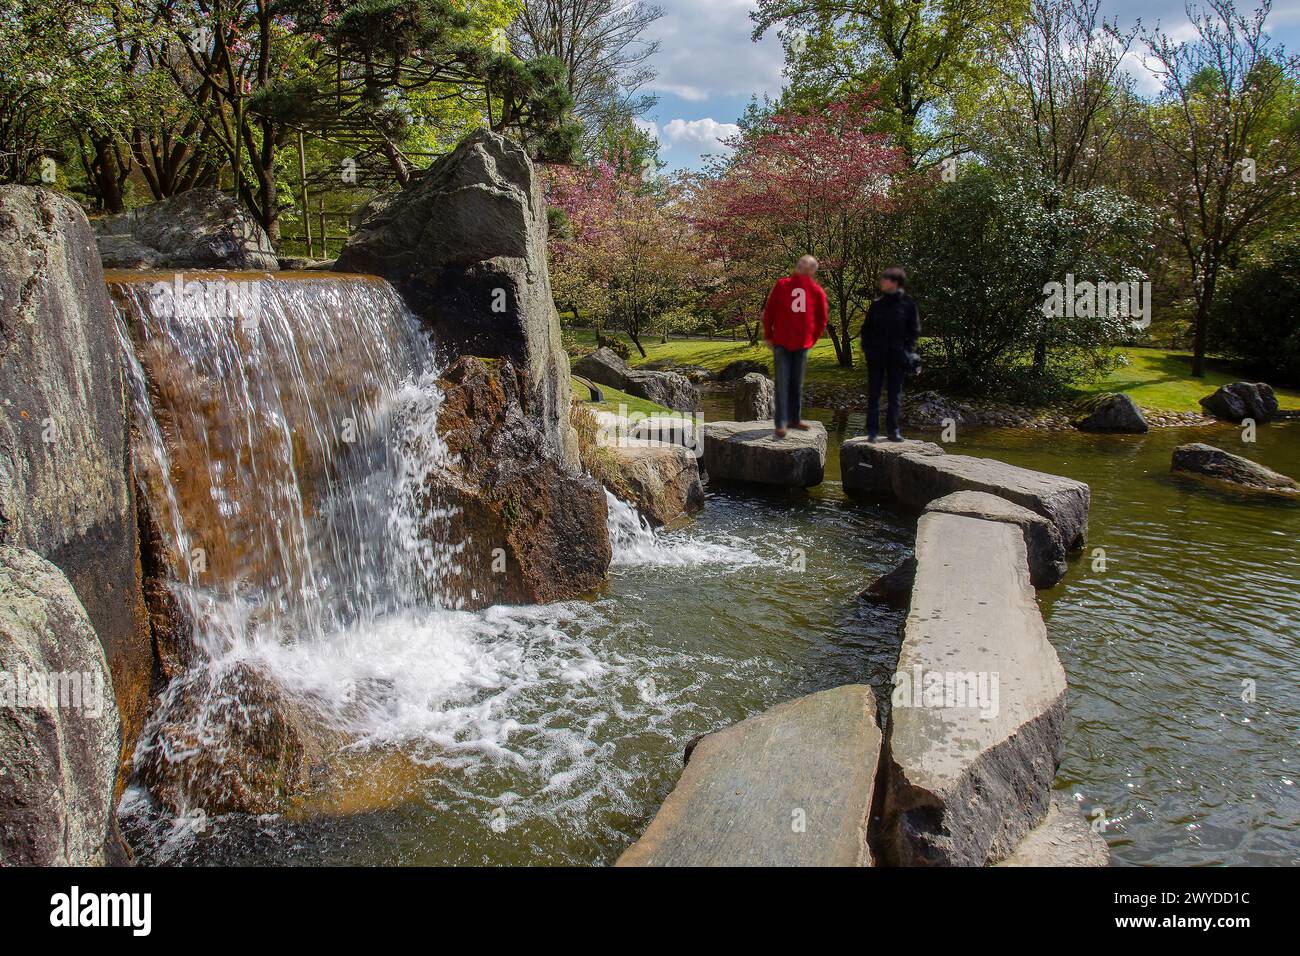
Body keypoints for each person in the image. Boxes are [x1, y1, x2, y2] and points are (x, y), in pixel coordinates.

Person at [762, 255, 828, 438]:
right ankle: (781, 422)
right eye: (800, 263)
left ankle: (795, 419)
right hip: (782, 342)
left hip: (801, 344)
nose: (800, 266)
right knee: (782, 382)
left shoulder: (816, 291)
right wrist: (768, 334)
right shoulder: (782, 285)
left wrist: (812, 340)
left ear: (812, 270)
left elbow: (822, 320)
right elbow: (770, 312)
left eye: (805, 265)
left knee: (796, 383)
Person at [860, 266, 920, 442]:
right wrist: (868, 350)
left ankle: (893, 431)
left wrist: (907, 351)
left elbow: (914, 330)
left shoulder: (908, 304)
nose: (881, 283)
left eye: (884, 280)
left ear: (894, 282)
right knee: (874, 394)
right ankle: (872, 431)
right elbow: (866, 330)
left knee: (895, 394)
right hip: (876, 356)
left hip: (897, 356)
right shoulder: (877, 304)